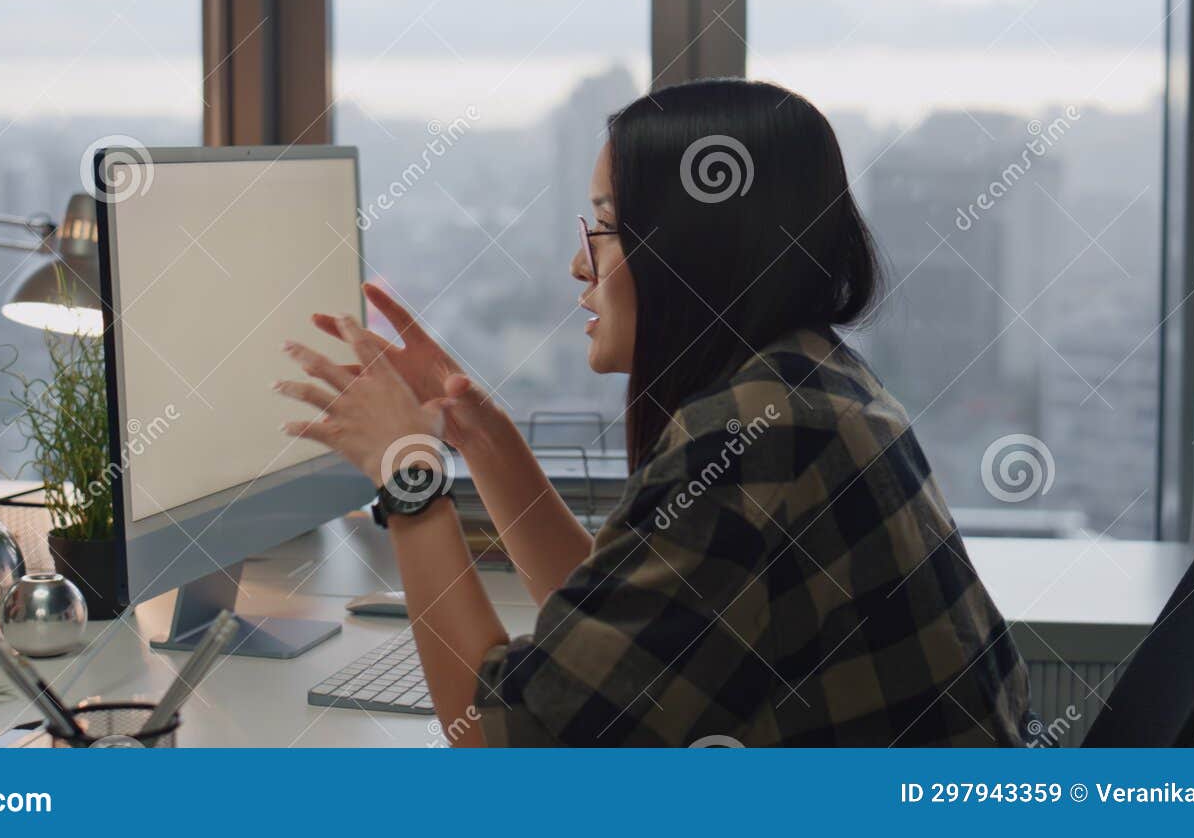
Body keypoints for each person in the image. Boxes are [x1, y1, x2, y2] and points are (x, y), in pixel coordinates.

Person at [276, 78, 1030, 746]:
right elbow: (621, 639)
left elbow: (513, 747)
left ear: (695, 244)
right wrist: (475, 429)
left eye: (604, 225)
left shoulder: (753, 436)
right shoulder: (801, 379)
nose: (580, 262)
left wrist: (408, 476)